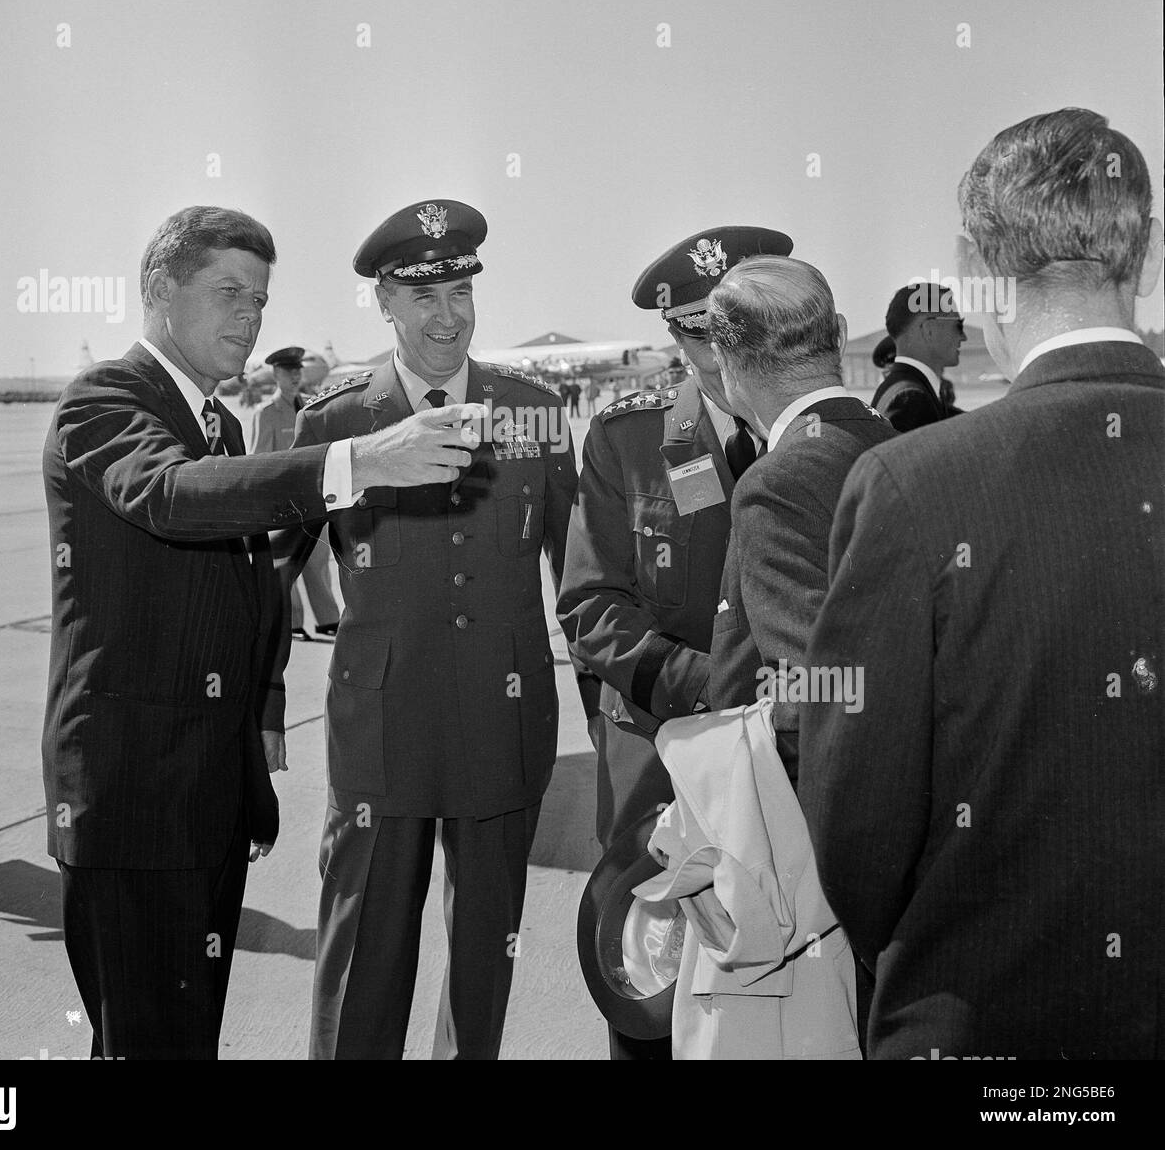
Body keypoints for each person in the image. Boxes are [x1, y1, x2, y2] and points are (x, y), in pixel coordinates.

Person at [42, 205, 484, 1059]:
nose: (248, 317)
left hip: (203, 789)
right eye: (227, 293)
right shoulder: (102, 400)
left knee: (180, 1037)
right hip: (134, 795)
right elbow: (169, 495)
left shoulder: (222, 424)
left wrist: (264, 705)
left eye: (259, 299)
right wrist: (357, 463)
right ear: (159, 293)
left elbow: (251, 582)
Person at [801, 108, 1165, 1060]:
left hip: (984, 1027)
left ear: (981, 265)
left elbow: (856, 823)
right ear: (1149, 251)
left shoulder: (912, 487)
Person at [292, 198, 577, 1061]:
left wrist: (615, 718)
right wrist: (260, 707)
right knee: (366, 947)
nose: (446, 316)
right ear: (384, 302)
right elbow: (273, 568)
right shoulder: (337, 419)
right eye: (424, 298)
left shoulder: (535, 412)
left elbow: (581, 576)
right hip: (381, 727)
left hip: (503, 715)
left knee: (487, 952)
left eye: (460, 291)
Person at [556, 224, 792, 1060]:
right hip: (661, 755)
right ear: (672, 334)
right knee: (652, 992)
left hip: (797, 761)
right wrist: (710, 684)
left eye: (737, 323)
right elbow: (590, 604)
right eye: (697, 329)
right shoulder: (627, 437)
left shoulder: (824, 432)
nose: (719, 350)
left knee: (789, 991)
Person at [706, 257, 895, 785]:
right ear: (839, 334)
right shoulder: (905, 447)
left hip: (821, 811)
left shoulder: (774, 484)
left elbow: (812, 699)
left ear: (724, 360)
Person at [248, 345, 340, 640]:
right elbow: (259, 459)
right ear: (276, 374)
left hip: (313, 499)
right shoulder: (267, 414)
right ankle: (293, 622)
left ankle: (327, 619)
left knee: (318, 559)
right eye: (289, 371)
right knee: (286, 564)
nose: (295, 376)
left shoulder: (311, 408)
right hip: (282, 504)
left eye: (298, 370)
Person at [871, 283, 964, 430]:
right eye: (958, 325)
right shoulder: (910, 399)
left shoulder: (909, 392)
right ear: (929, 330)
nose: (963, 337)